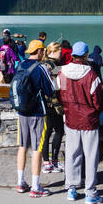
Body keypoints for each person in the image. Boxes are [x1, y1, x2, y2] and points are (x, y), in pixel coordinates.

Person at [59, 41, 103, 202]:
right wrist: (94, 112)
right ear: (86, 55)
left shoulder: (62, 73)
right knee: (91, 155)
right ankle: (90, 192)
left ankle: (71, 188)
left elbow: (61, 95)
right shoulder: (91, 75)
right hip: (89, 120)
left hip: (70, 118)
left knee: (72, 153)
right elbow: (98, 101)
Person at [13, 39, 57, 196]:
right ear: (39, 51)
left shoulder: (21, 64)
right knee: (37, 148)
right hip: (38, 112)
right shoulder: (41, 68)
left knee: (22, 146)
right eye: (42, 51)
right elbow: (51, 90)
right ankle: (36, 186)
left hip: (22, 112)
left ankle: (20, 182)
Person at [38, 43, 66, 173]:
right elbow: (60, 88)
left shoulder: (42, 64)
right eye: (59, 51)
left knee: (46, 133)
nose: (61, 53)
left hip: (43, 103)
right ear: (53, 52)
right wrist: (60, 105)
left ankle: (46, 162)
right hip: (54, 104)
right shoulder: (56, 66)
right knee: (59, 131)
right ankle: (54, 161)